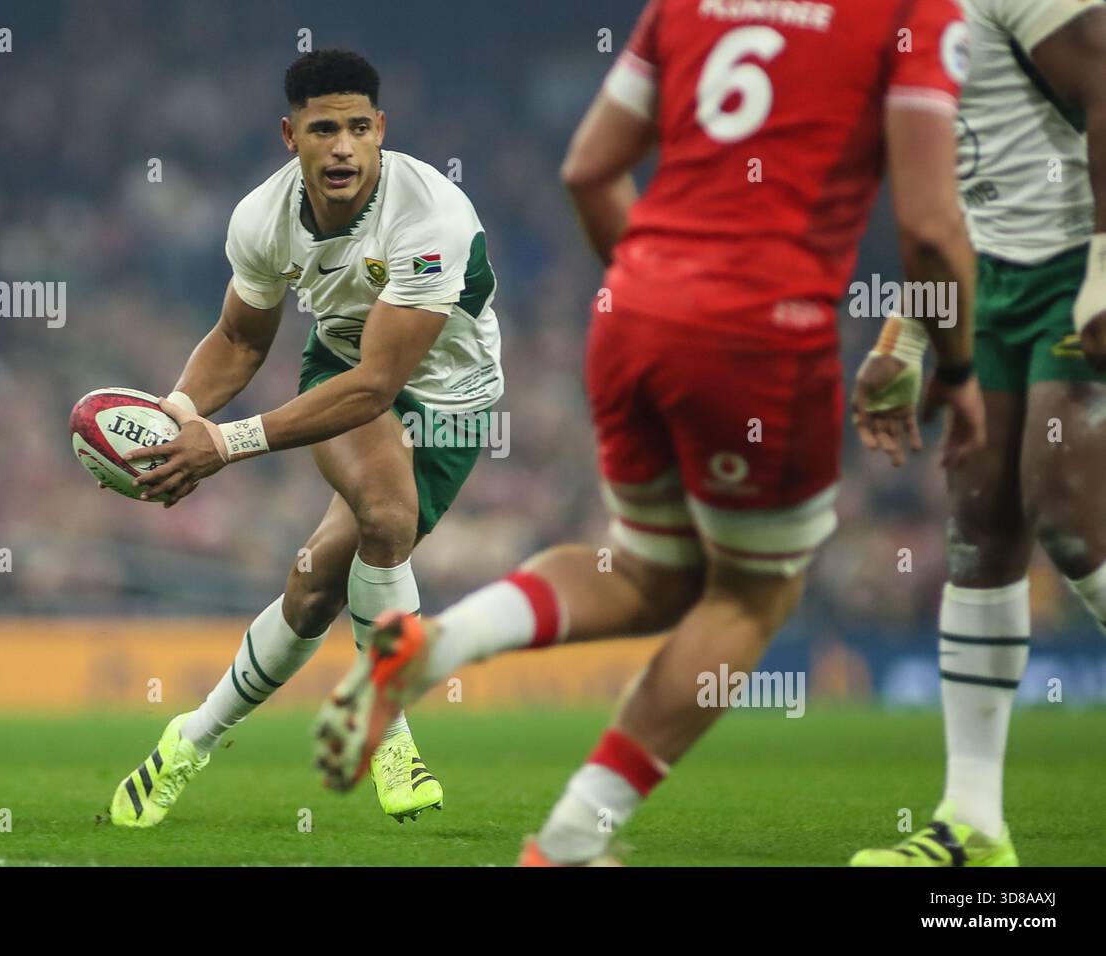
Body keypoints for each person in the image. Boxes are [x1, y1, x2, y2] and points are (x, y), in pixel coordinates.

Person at [313, 0, 984, 865]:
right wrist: (956, 368)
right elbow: (931, 226)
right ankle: (567, 839)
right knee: (750, 593)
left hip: (633, 309)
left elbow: (588, 170)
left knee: (647, 571)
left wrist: (660, 301)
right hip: (764, 328)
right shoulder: (909, 12)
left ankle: (439, 641)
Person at [107, 48, 504, 826]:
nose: (345, 147)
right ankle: (389, 730)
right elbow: (240, 340)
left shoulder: (431, 217)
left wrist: (225, 444)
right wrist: (180, 412)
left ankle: (187, 740)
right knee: (386, 518)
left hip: (449, 400)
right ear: (291, 136)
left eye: (360, 127)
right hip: (343, 370)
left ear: (382, 129)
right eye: (326, 129)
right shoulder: (261, 218)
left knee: (317, 585)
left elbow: (385, 384)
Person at [851, 0, 1106, 867]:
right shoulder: (886, 23)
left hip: (1076, 263)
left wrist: (1105, 269)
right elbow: (945, 192)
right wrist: (906, 337)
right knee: (979, 527)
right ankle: (972, 824)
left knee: (1065, 507)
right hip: (989, 282)